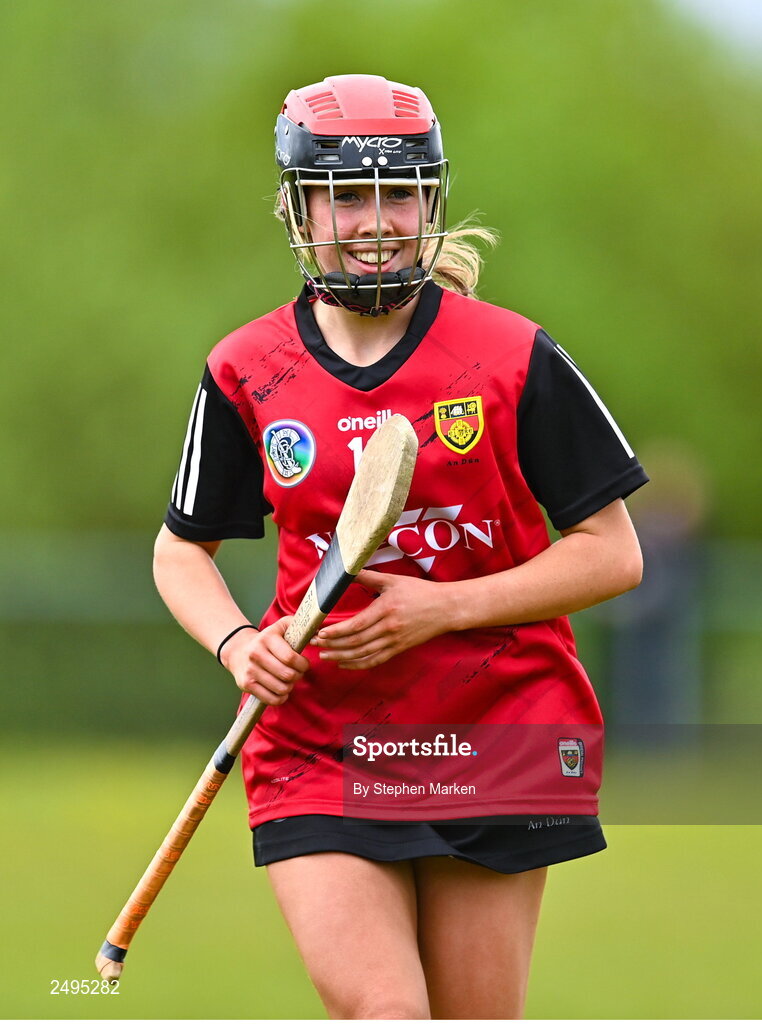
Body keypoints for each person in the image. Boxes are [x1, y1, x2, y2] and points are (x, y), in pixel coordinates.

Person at [154, 74, 648, 1020]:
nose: (374, 220)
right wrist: (234, 644)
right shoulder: (248, 370)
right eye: (345, 196)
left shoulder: (510, 356)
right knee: (385, 1012)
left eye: (398, 192)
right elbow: (182, 553)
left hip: (499, 724)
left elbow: (612, 552)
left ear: (431, 200)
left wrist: (442, 608)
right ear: (299, 206)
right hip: (321, 736)